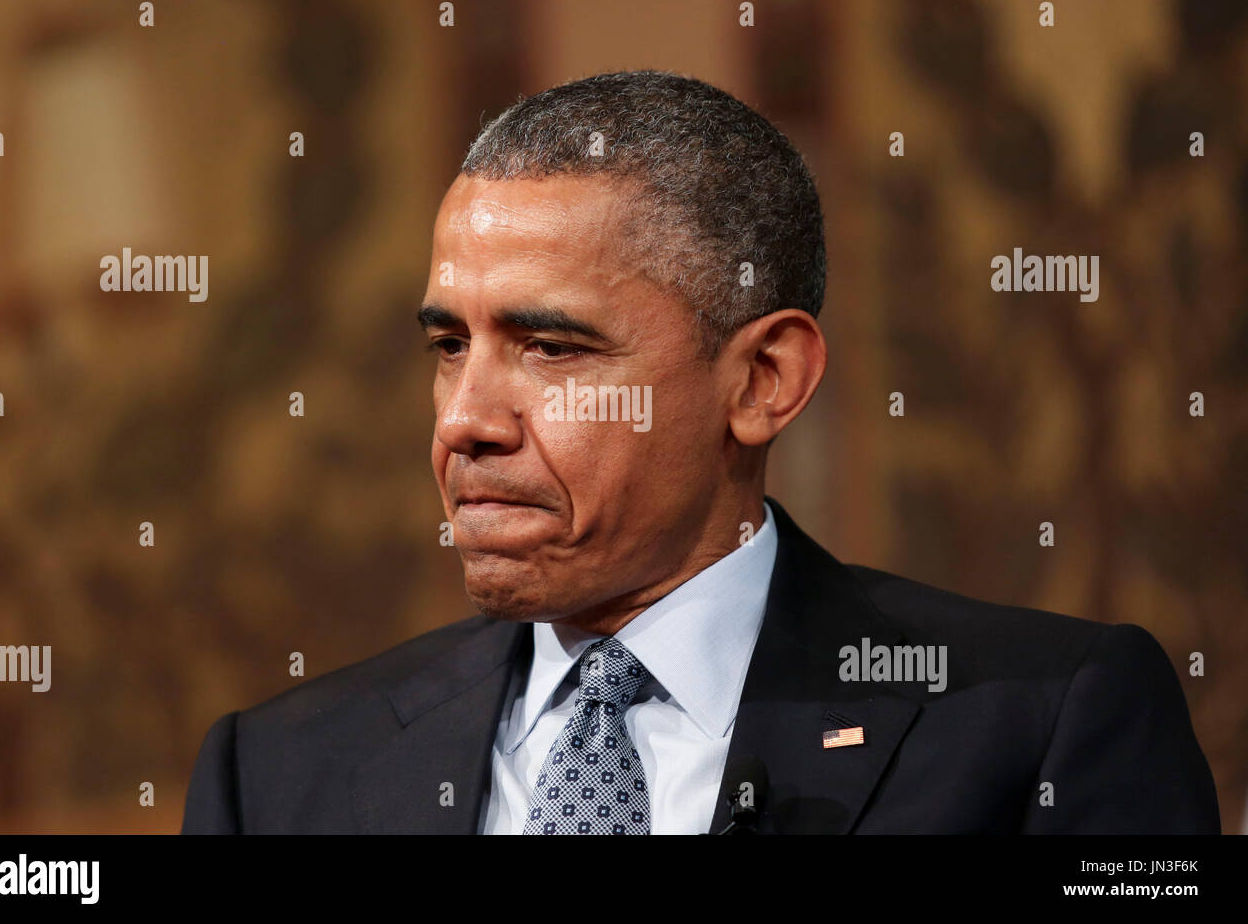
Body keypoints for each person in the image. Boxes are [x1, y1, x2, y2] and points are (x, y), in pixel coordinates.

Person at [182, 70, 1219, 834]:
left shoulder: (1039, 721)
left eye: (551, 346)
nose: (465, 419)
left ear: (763, 380)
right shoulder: (276, 775)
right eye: (450, 345)